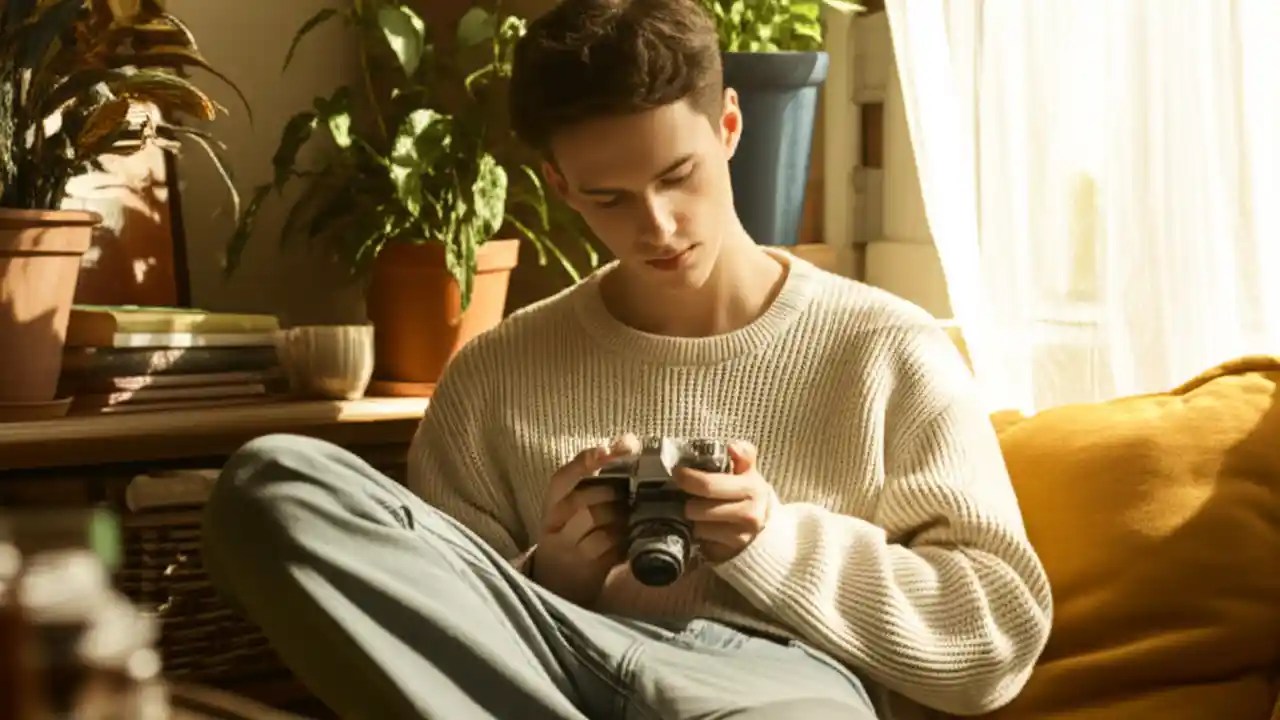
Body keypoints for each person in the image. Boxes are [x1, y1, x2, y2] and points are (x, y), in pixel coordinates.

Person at [202, 0, 1053, 718]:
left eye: (677, 175)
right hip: (548, 660)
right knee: (274, 483)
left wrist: (772, 537)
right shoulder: (494, 377)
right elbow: (443, 623)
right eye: (609, 198)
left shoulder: (886, 350)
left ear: (728, 127)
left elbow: (997, 640)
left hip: (771, 685)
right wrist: (554, 577)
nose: (658, 226)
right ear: (561, 185)